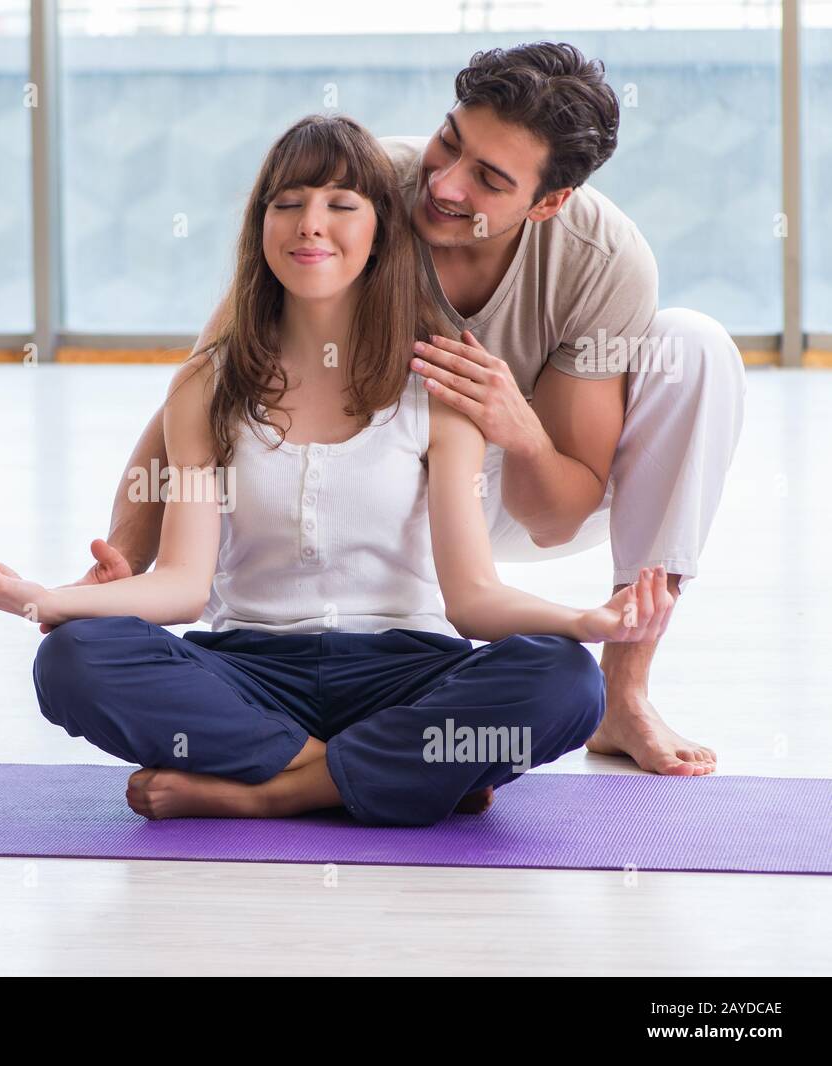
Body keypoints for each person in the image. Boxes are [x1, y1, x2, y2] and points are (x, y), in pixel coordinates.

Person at [0, 113, 674, 828]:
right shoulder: (207, 386)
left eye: (339, 204)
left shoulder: (436, 391)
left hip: (404, 668)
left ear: (383, 229)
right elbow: (182, 586)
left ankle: (270, 792)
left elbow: (473, 599)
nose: (309, 224)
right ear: (261, 228)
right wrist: (36, 599)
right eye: (285, 204)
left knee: (566, 681)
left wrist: (585, 621)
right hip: (250, 670)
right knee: (72, 661)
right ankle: (384, 774)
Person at [59, 42, 745, 779]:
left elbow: (554, 519)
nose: (443, 183)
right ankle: (355, 772)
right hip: (329, 488)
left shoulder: (600, 259)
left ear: (547, 203)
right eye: (450, 141)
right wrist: (125, 566)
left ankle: (622, 695)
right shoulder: (359, 187)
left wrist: (519, 432)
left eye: (486, 178)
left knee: (694, 346)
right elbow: (209, 387)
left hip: (506, 484)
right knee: (76, 655)